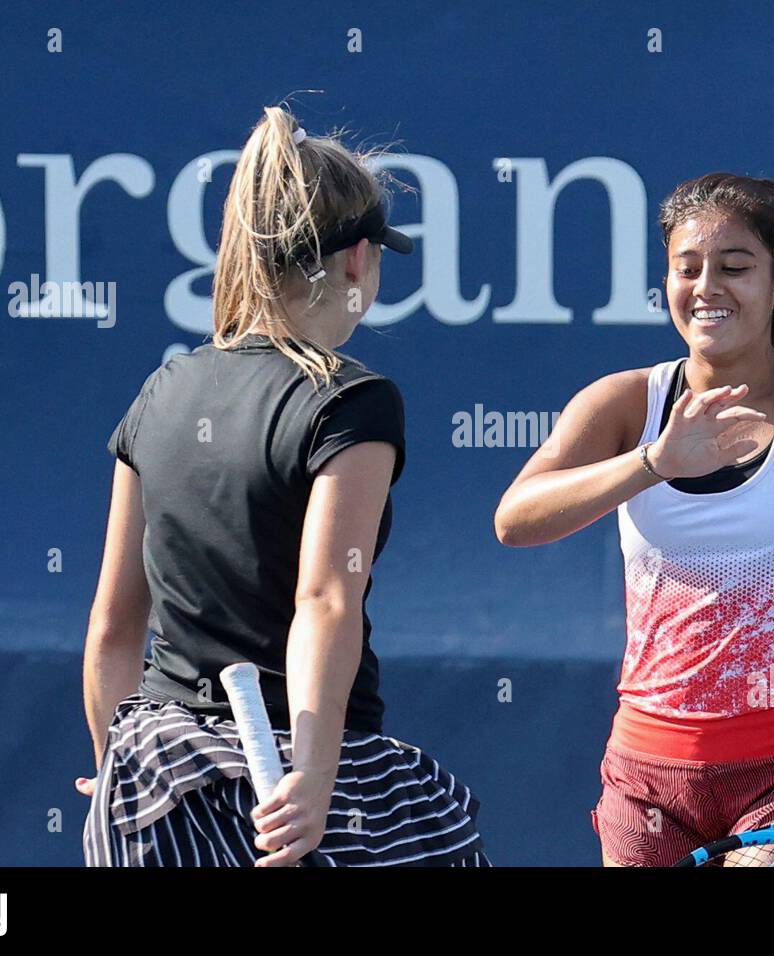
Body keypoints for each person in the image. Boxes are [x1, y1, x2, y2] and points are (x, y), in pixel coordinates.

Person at [79, 104, 489, 867]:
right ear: (359, 260)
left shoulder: (159, 391)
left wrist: (113, 769)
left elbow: (111, 628)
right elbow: (327, 598)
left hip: (152, 777)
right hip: (292, 787)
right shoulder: (354, 401)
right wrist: (312, 775)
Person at [494, 173, 774, 866]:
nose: (707, 287)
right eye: (687, 267)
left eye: (735, 268)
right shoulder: (620, 405)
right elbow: (515, 520)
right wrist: (655, 461)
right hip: (647, 775)